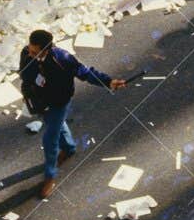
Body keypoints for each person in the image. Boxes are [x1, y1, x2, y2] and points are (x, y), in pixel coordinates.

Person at [17, 30, 125, 199]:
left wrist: (108, 81)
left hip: (58, 103)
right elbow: (25, 74)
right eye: (30, 50)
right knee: (57, 124)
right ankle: (69, 147)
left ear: (47, 49)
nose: (30, 54)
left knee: (49, 138)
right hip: (39, 100)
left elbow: (86, 73)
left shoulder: (64, 60)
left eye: (35, 52)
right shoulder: (26, 52)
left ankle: (50, 176)